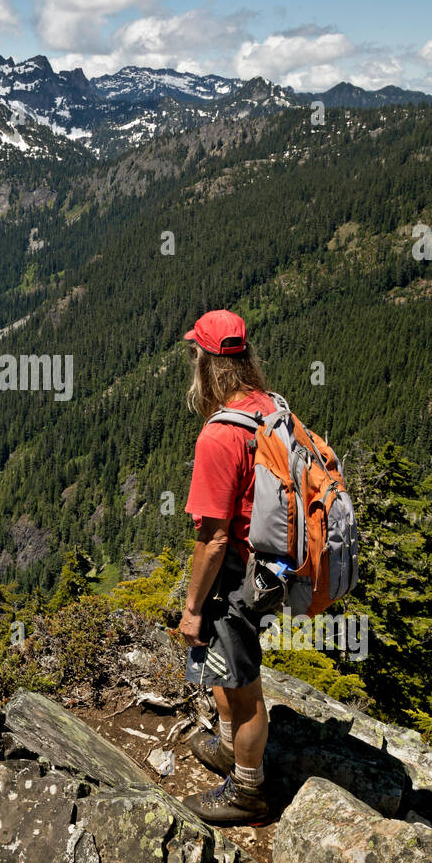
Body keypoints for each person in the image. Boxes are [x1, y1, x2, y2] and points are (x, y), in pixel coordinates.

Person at [177, 309, 275, 826]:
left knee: (245, 686)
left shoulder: (219, 435)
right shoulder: (268, 407)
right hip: (268, 566)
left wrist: (192, 609)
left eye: (196, 354)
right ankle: (226, 744)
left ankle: (248, 792)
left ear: (207, 364)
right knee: (226, 666)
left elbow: (212, 539)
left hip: (239, 570)